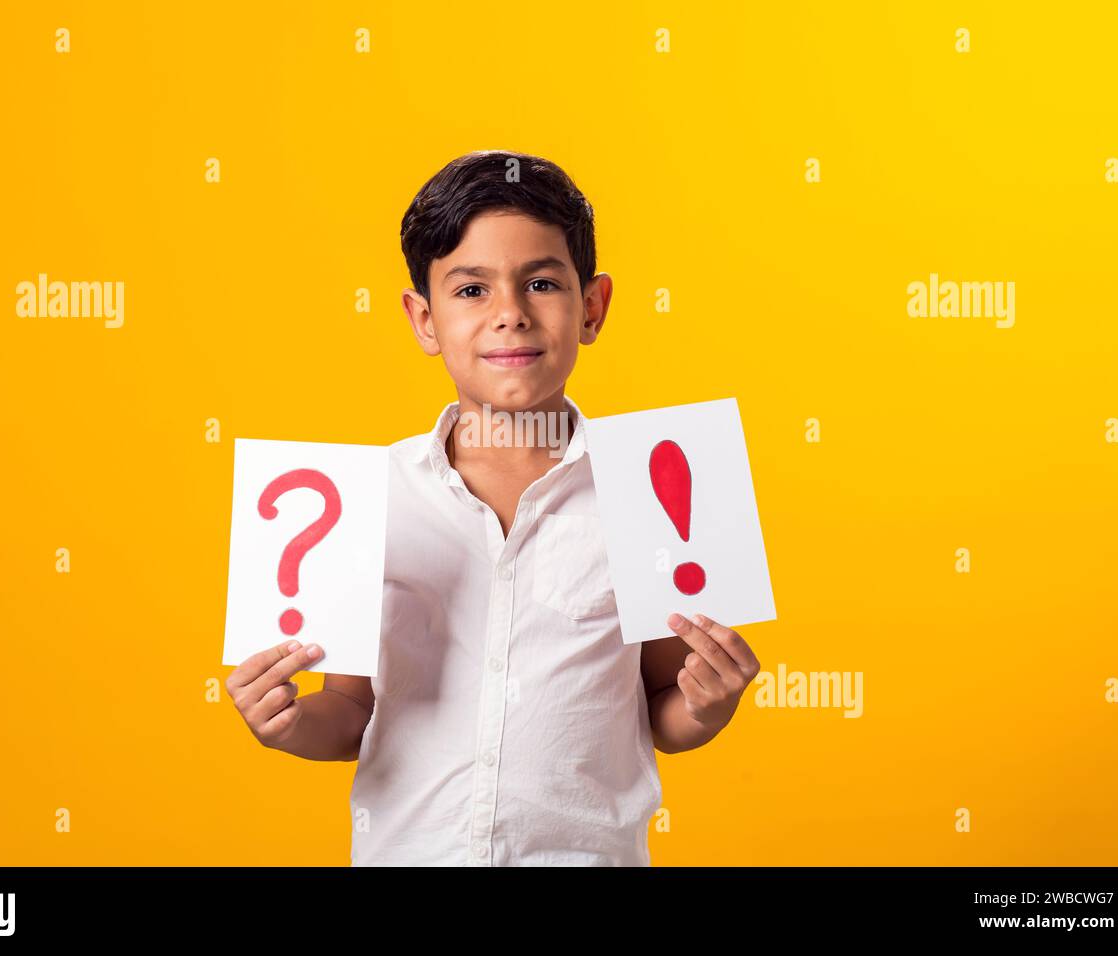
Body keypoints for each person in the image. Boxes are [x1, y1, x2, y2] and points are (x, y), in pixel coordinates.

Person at [226, 150, 761, 865]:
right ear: (423, 319)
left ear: (592, 306)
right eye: (471, 290)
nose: (510, 315)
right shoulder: (371, 498)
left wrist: (707, 704)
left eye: (541, 283)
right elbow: (350, 711)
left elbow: (665, 701)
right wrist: (285, 723)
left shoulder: (648, 489)